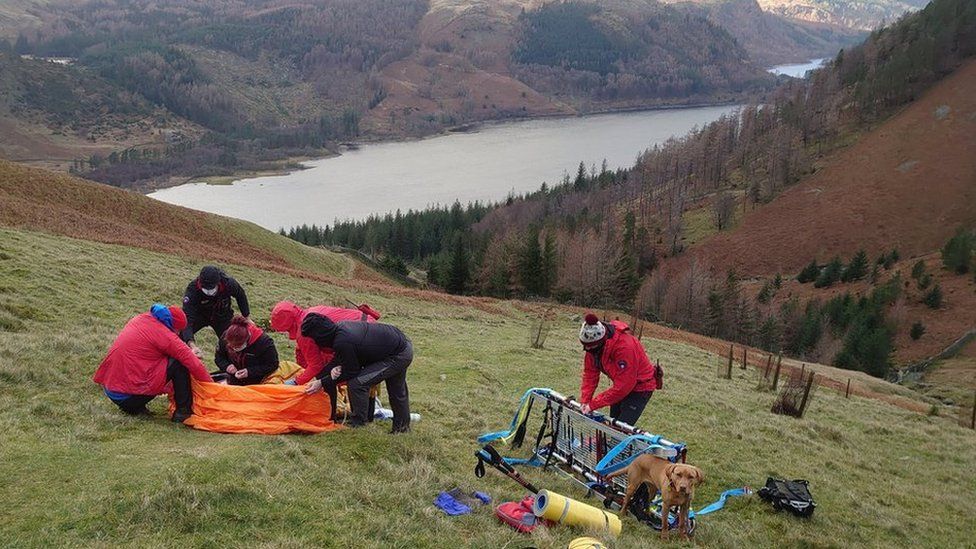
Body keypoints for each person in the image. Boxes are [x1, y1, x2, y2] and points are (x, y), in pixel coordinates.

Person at [93, 303, 211, 422]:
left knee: (164, 359)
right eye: (178, 330)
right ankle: (183, 412)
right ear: (173, 326)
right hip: (129, 398)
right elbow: (194, 363)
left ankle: (137, 407)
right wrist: (212, 388)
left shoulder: (141, 319)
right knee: (179, 362)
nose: (178, 334)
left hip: (113, 391)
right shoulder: (165, 335)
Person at [300, 313, 413, 433]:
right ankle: (402, 429)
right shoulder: (340, 328)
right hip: (399, 344)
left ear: (320, 336)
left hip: (398, 355)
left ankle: (358, 423)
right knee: (396, 390)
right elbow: (343, 357)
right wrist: (326, 373)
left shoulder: (342, 341)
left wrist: (321, 382)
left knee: (357, 383)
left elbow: (351, 371)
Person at [268, 300, 379, 386]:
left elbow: (316, 365)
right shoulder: (311, 311)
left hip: (361, 337)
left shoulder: (304, 331)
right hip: (369, 327)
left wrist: (295, 382)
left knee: (334, 375)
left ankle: (334, 409)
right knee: (335, 371)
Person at [578, 313, 658, 426]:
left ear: (602, 342)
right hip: (620, 385)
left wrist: (594, 404)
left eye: (591, 347)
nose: (587, 349)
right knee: (612, 424)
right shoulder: (592, 349)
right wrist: (585, 400)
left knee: (620, 428)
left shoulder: (624, 347)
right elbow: (590, 375)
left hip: (641, 388)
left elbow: (625, 385)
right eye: (586, 346)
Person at [182, 266, 250, 358]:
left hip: (222, 316)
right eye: (205, 288)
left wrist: (246, 316)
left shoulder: (228, 283)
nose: (209, 291)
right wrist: (191, 344)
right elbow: (187, 319)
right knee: (179, 335)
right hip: (200, 316)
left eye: (211, 288)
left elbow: (240, 295)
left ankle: (231, 366)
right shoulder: (192, 290)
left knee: (234, 341)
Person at [214, 315, 279, 385]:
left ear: (247, 339)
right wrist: (226, 366)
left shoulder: (264, 343)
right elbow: (219, 357)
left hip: (257, 381)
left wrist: (249, 372)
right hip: (232, 378)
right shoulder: (225, 337)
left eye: (237, 347)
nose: (234, 349)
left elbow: (273, 364)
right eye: (230, 346)